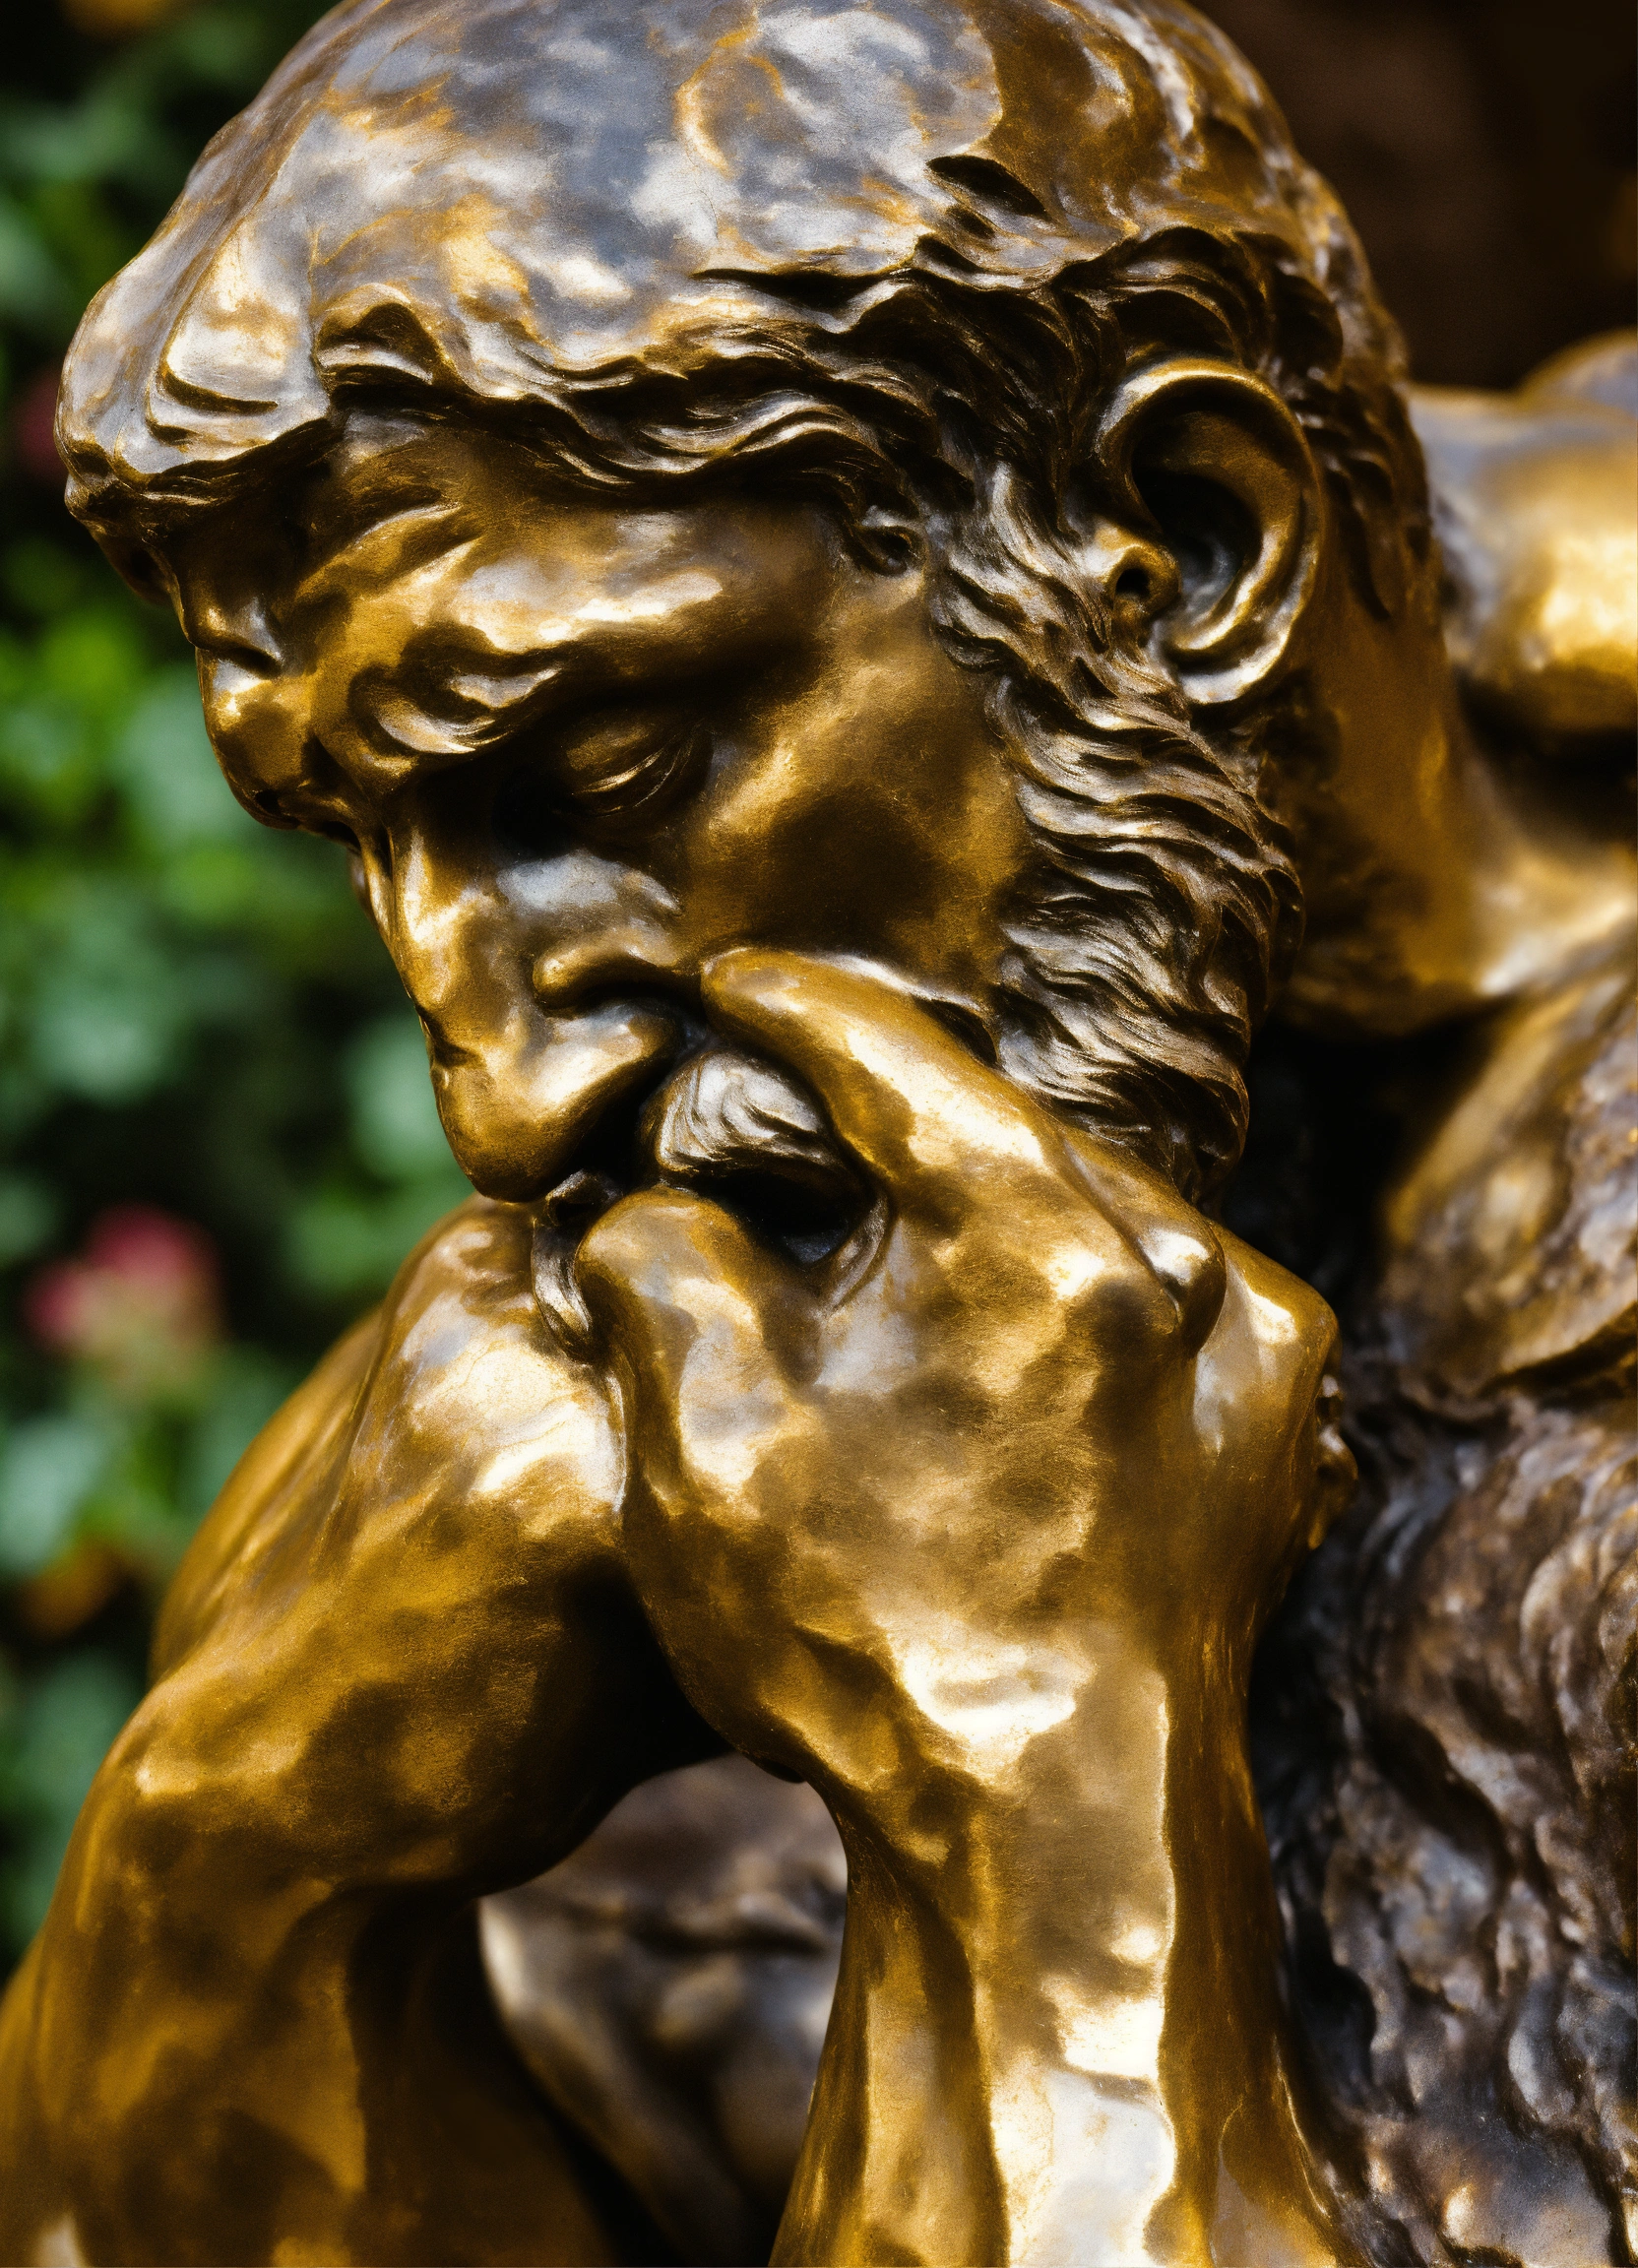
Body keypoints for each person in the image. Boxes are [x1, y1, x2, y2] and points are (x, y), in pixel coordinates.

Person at [0, 1, 1630, 2260]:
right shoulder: (762, 1276)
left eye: (597, 782)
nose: (505, 1100)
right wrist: (236, 1874)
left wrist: (1037, 1790)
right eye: (360, 840)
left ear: (1183, 543)